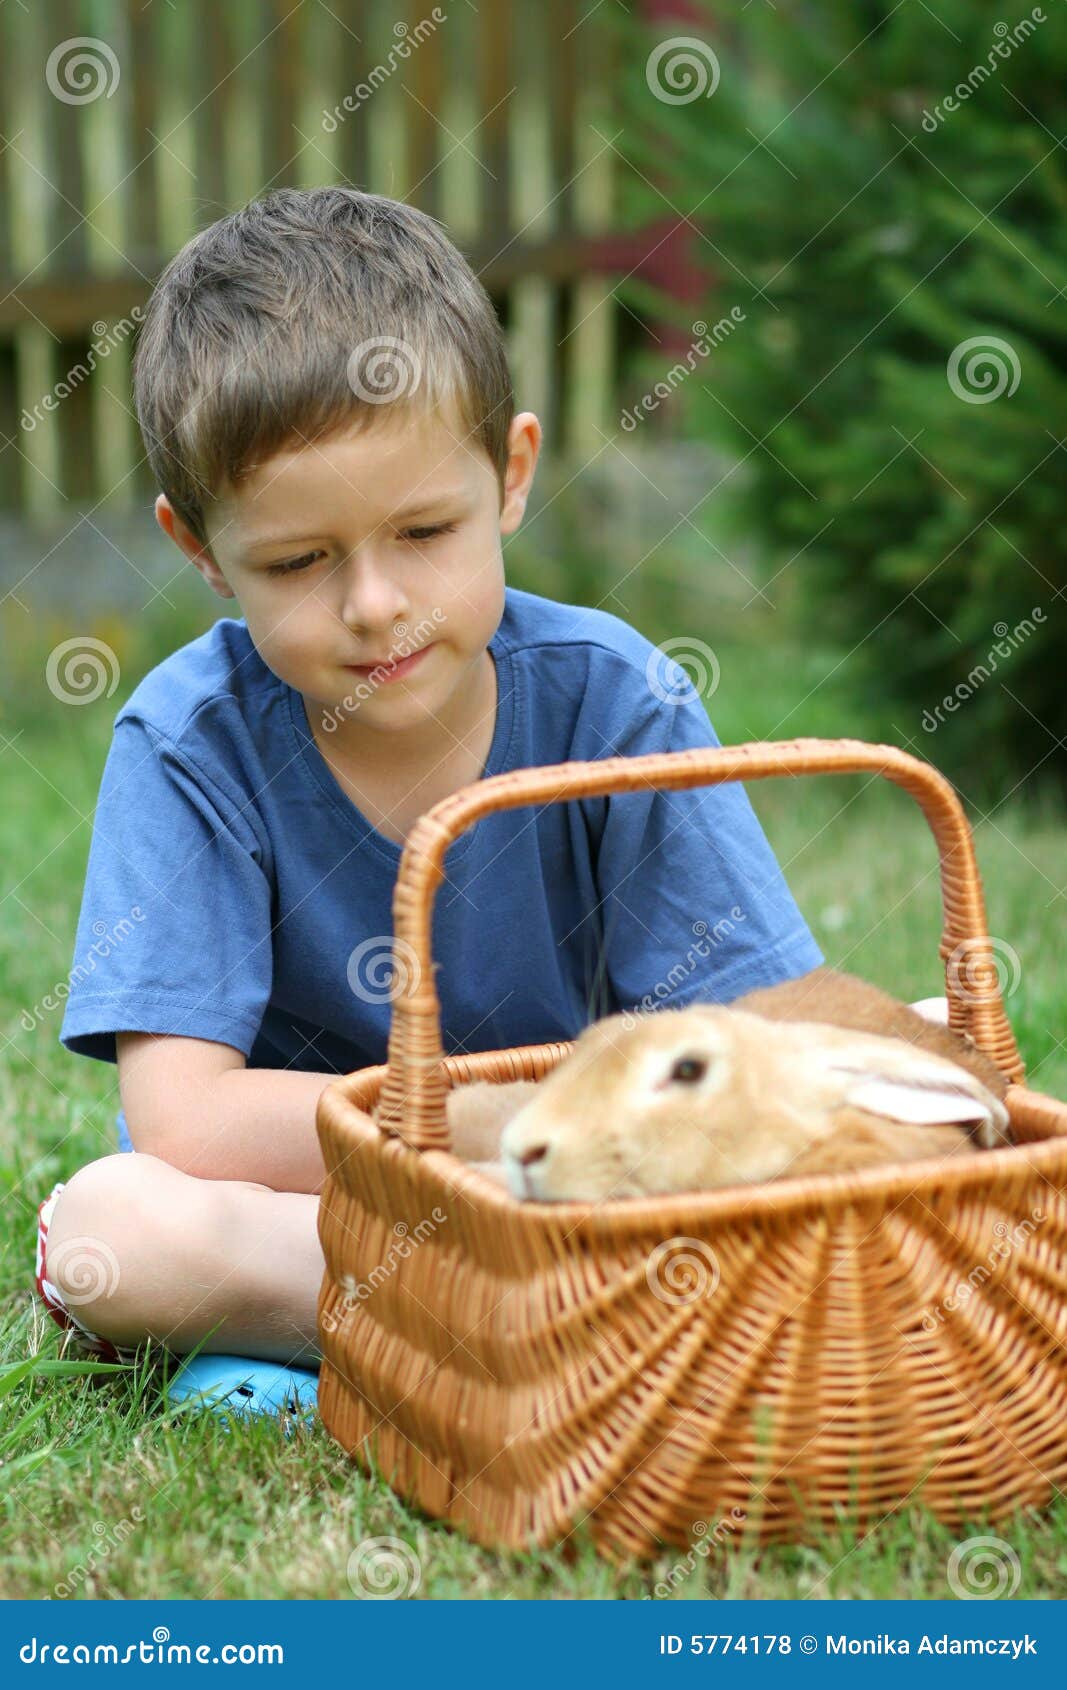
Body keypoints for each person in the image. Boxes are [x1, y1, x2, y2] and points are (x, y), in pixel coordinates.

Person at [35, 185, 829, 1419]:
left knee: (873, 1071)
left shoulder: (613, 702)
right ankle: (545, 1319)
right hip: (314, 1207)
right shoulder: (189, 742)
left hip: (576, 1191)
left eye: (422, 531)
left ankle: (411, 1334)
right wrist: (514, 1124)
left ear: (509, 474)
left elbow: (757, 1039)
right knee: (116, 1228)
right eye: (298, 562)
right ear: (198, 548)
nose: (372, 605)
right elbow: (182, 1120)